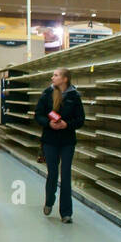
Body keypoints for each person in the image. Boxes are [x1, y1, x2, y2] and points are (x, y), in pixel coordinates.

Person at [34, 67, 86, 222]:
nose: (52, 77)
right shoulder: (47, 93)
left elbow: (80, 119)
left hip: (67, 141)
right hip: (50, 140)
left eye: (56, 75)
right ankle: (49, 201)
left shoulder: (74, 96)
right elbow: (38, 115)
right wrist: (48, 123)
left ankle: (66, 213)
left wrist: (66, 124)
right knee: (52, 173)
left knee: (66, 175)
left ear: (65, 79)